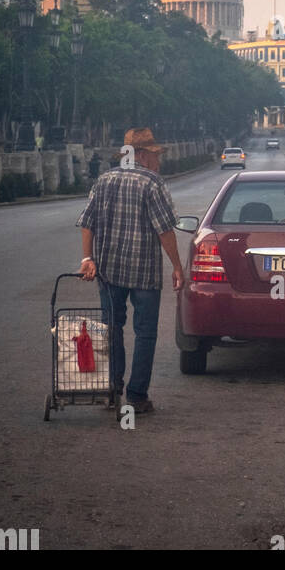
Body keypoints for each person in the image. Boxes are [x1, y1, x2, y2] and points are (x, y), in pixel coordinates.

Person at [77, 126, 184, 414]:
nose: (159, 161)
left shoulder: (104, 180)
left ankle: (112, 388)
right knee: (145, 333)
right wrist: (177, 266)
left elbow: (88, 222)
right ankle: (137, 396)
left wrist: (88, 257)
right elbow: (165, 230)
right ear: (145, 155)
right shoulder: (152, 182)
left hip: (109, 270)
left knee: (112, 327)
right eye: (156, 155)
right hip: (144, 273)